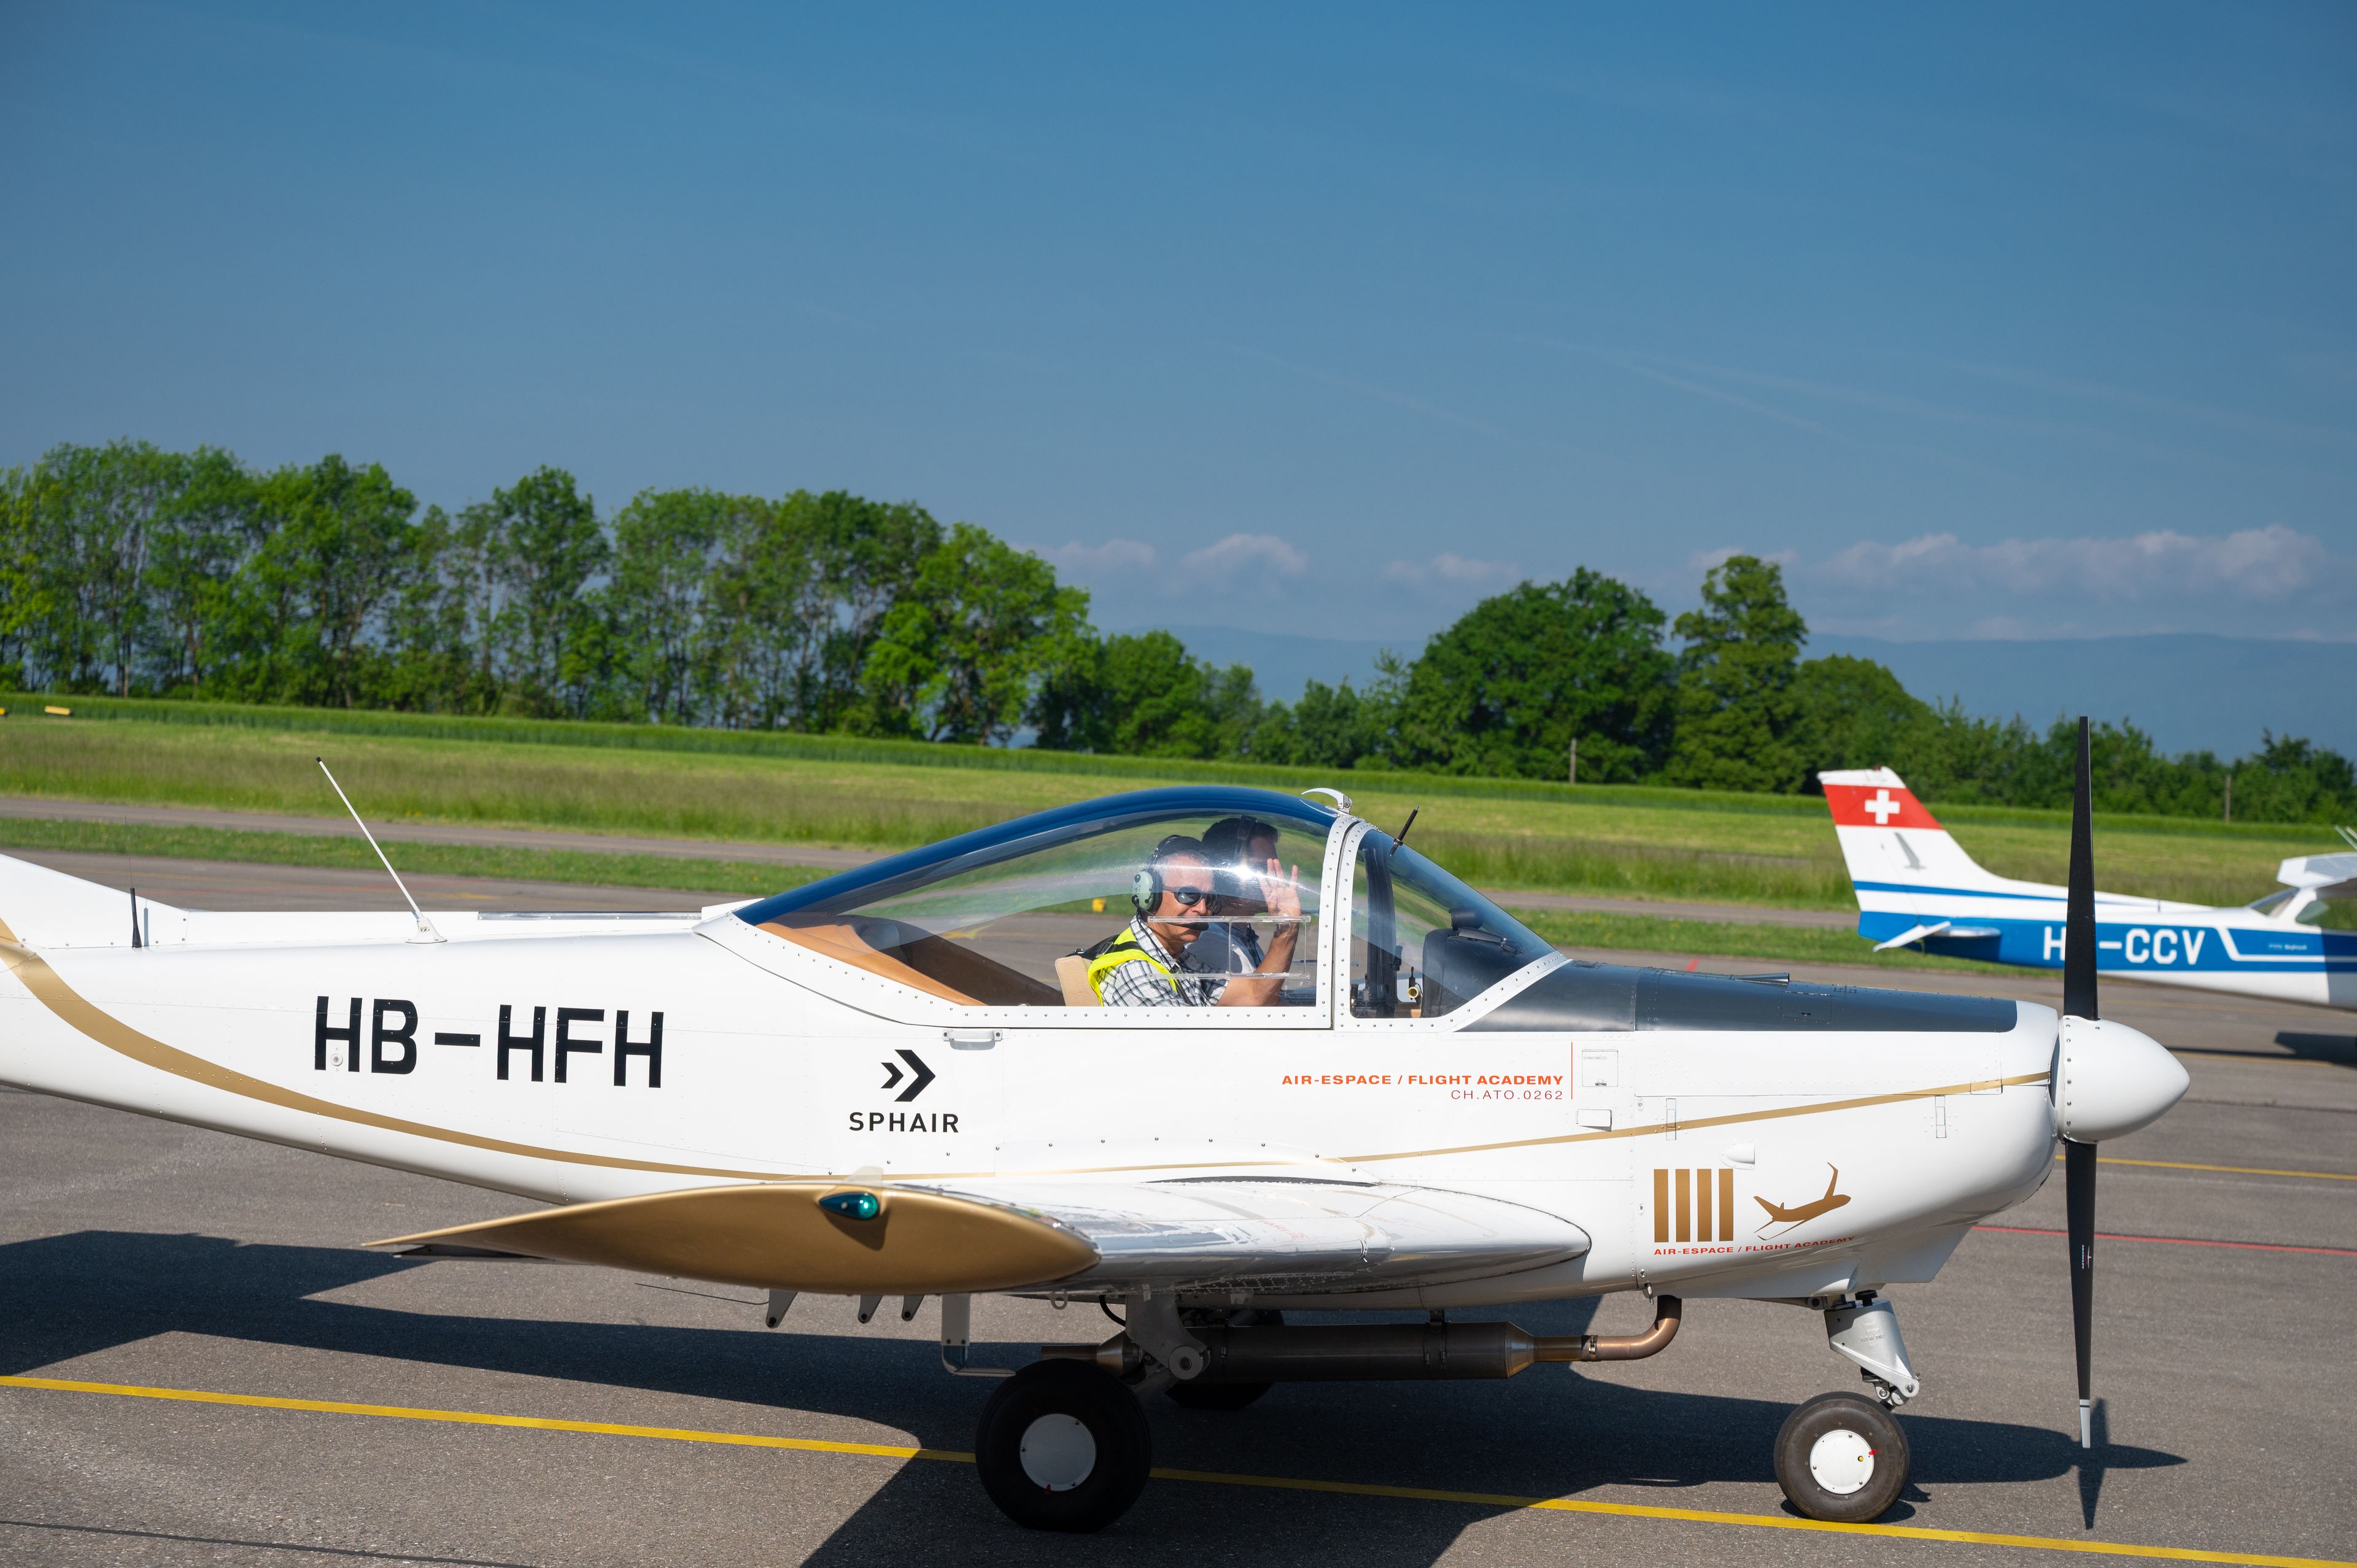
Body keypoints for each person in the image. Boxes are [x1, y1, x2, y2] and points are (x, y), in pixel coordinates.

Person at [1089, 834, 1303, 1007]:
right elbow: (1194, 1050)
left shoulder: (1178, 960)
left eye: (1209, 898)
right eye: (1188, 895)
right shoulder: (1139, 975)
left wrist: (1288, 926)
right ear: (1149, 894)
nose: (1202, 909)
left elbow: (1255, 996)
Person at [1186, 815, 1282, 981]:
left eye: (1274, 868)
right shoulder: (1214, 945)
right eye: (1262, 868)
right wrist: (1288, 929)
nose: (1275, 878)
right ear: (1226, 877)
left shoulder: (1239, 934)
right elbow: (1259, 1002)